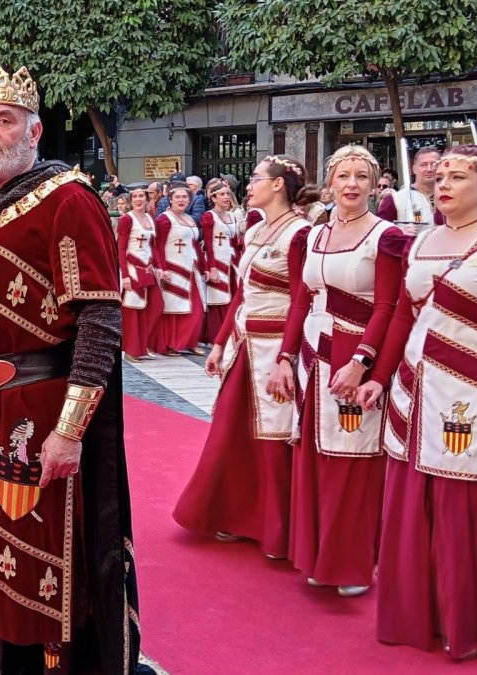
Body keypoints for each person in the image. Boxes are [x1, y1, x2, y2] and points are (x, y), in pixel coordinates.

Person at [0, 63, 153, 674]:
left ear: (34, 132)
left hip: (35, 410)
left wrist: (70, 429)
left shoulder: (68, 199)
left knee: (40, 554)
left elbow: (99, 323)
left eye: (4, 121)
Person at [356, 145, 477, 660]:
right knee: (409, 505)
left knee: (465, 511)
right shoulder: (416, 242)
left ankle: (471, 625)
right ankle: (418, 617)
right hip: (414, 390)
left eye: (458, 177)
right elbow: (399, 315)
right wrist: (379, 374)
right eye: (439, 175)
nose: (444, 184)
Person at [173, 155, 315, 560]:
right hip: (243, 342)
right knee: (232, 433)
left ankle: (278, 530)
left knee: (273, 436)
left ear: (278, 185)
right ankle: (236, 515)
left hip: (275, 347)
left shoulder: (300, 234)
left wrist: (287, 356)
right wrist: (218, 342)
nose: (248, 184)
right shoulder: (255, 229)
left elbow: (303, 300)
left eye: (256, 178)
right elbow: (242, 292)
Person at [279, 146, 404, 597]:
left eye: (362, 176)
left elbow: (389, 306)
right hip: (315, 352)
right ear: (329, 182)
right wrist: (284, 358)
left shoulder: (386, 237)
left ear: (375, 185)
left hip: (354, 356)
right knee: (315, 458)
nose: (352, 184)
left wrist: (362, 363)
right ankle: (317, 555)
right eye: (343, 175)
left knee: (352, 460)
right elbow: (300, 299)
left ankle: (351, 563)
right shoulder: (309, 237)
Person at [153, 185, 205, 355]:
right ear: (170, 200)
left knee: (196, 309)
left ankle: (190, 341)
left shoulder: (190, 220)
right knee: (173, 308)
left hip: (191, 268)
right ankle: (171, 343)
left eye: (184, 197)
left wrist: (203, 266)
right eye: (178, 197)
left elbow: (195, 245)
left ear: (190, 201)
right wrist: (161, 268)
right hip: (172, 267)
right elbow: (158, 245)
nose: (181, 200)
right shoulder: (164, 219)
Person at [118, 187, 164, 362]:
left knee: (156, 306)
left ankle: (144, 343)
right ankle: (131, 350)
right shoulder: (127, 220)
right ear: (131, 200)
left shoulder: (151, 220)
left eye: (141, 196)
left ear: (146, 199)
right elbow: (121, 248)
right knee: (133, 310)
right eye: (135, 196)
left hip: (148, 269)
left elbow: (154, 246)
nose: (138, 199)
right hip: (132, 269)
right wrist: (125, 275)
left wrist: (159, 266)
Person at [200, 180, 242, 345]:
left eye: (227, 193)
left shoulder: (232, 216)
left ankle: (231, 333)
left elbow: (235, 241)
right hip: (217, 261)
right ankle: (216, 336)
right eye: (222, 194)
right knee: (219, 300)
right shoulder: (209, 216)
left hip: (232, 262)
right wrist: (211, 267)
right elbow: (209, 243)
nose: (226, 197)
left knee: (233, 298)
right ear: (213, 197)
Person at [378, 145, 441, 233]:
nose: (429, 169)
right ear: (414, 169)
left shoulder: (449, 198)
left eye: (434, 164)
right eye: (424, 164)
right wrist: (400, 234)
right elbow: (380, 234)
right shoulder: (395, 200)